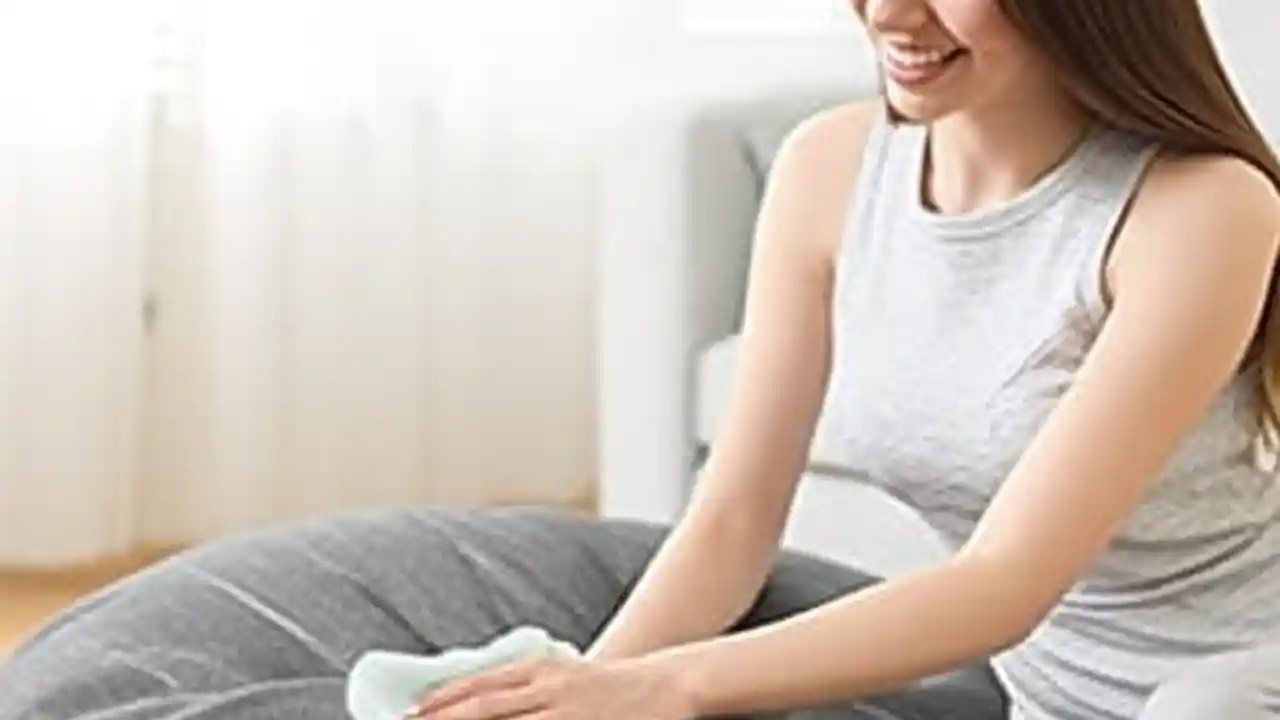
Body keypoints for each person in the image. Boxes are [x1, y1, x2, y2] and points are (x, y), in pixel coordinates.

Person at [402, 1, 1280, 719]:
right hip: (1044, 681)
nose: (890, 14)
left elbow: (1007, 584)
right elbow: (734, 521)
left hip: (1242, 667)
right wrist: (586, 688)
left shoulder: (1203, 209)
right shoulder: (828, 166)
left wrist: (667, 687)